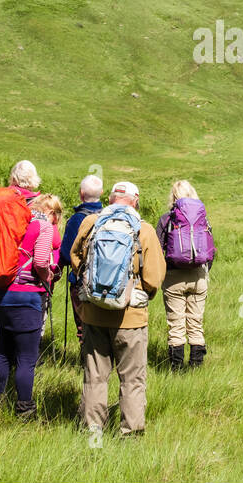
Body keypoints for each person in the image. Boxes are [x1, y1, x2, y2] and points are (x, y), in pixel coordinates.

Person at [70, 181, 164, 437]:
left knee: (95, 377)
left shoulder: (90, 223)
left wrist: (92, 284)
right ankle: (130, 434)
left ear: (110, 200)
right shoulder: (144, 230)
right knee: (132, 380)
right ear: (136, 201)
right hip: (130, 319)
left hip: (93, 315)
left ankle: (92, 432)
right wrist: (136, 293)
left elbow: (75, 257)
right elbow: (154, 278)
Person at [0, 187, 60, 421]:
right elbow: (40, 260)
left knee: (3, 353)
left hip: (2, 294)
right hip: (27, 296)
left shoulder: (13, 223)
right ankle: (24, 410)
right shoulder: (43, 226)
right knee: (27, 358)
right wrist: (48, 276)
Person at [157, 180, 216, 370]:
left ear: (173, 197)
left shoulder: (167, 219)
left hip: (173, 277)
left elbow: (158, 251)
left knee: (176, 325)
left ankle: (176, 370)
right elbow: (211, 250)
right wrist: (204, 271)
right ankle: (196, 367)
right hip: (198, 276)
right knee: (195, 323)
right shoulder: (203, 219)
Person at [59, 174, 104, 345]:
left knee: (83, 325)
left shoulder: (77, 219)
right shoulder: (107, 215)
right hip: (105, 279)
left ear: (81, 193)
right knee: (101, 325)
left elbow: (65, 254)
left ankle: (86, 363)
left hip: (80, 280)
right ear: (101, 193)